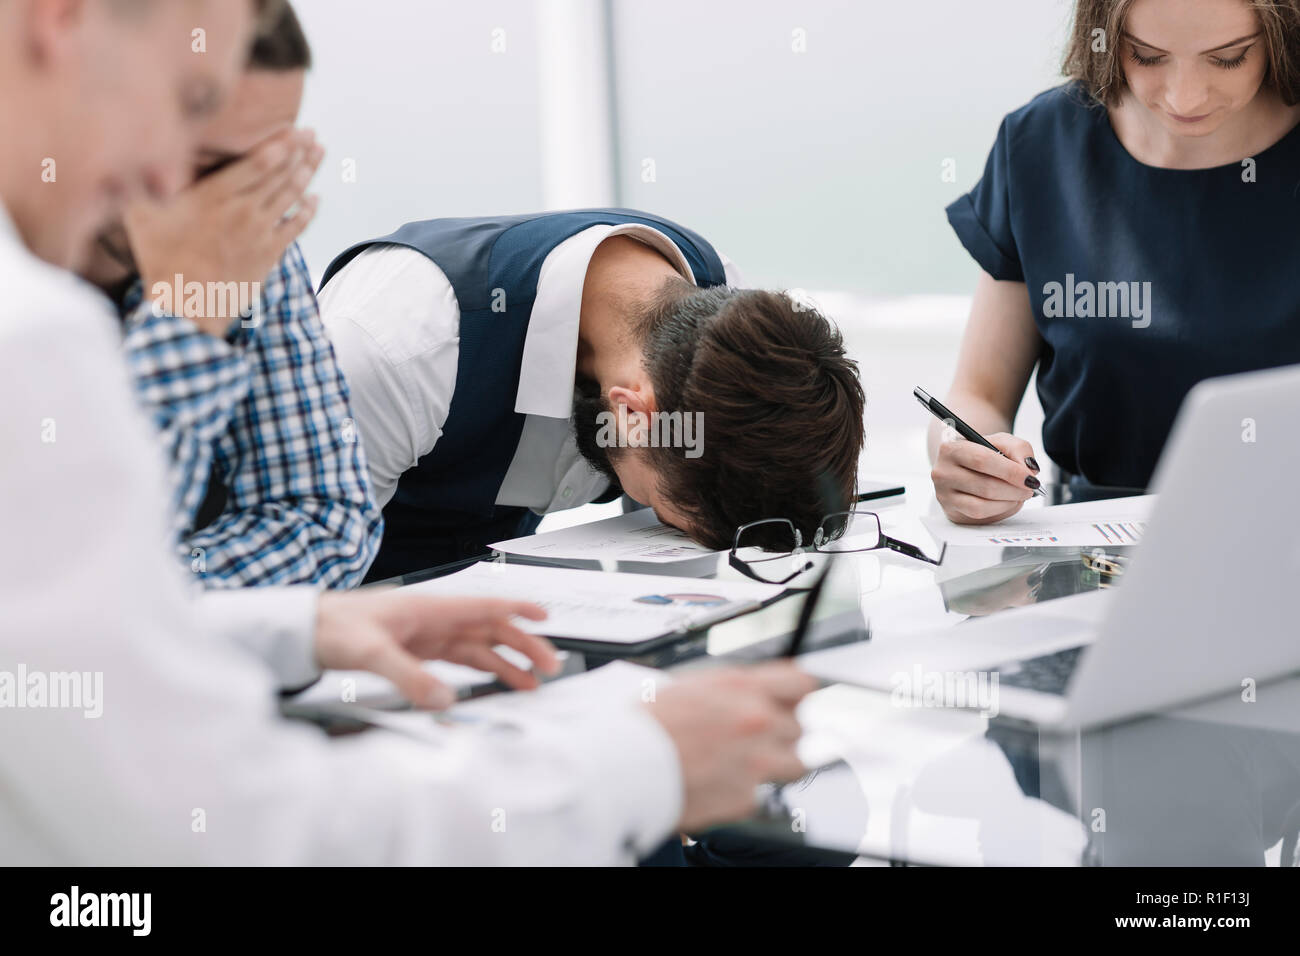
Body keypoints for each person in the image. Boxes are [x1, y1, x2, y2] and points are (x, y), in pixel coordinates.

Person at [0, 0, 816, 865]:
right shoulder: (49, 331)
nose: (175, 185)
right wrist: (635, 765)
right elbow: (212, 822)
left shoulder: (239, 237)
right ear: (61, 23)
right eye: (194, 118)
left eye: (273, 164)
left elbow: (313, 521)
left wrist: (290, 628)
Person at [319, 210, 867, 580]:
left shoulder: (719, 313)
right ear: (630, 415)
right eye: (660, 513)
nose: (652, 520)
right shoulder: (394, 347)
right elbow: (289, 596)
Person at [930, 0, 1300, 524]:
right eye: (1147, 56)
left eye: (1228, 58)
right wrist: (967, 459)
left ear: (1281, 32)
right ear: (1104, 31)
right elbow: (979, 393)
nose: (1184, 96)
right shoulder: (1040, 145)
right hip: (1086, 552)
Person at [81, 1, 382, 588]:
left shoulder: (248, 228)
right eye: (209, 164)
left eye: (267, 168)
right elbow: (64, 568)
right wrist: (190, 311)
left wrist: (163, 602)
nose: (236, 207)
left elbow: (325, 520)